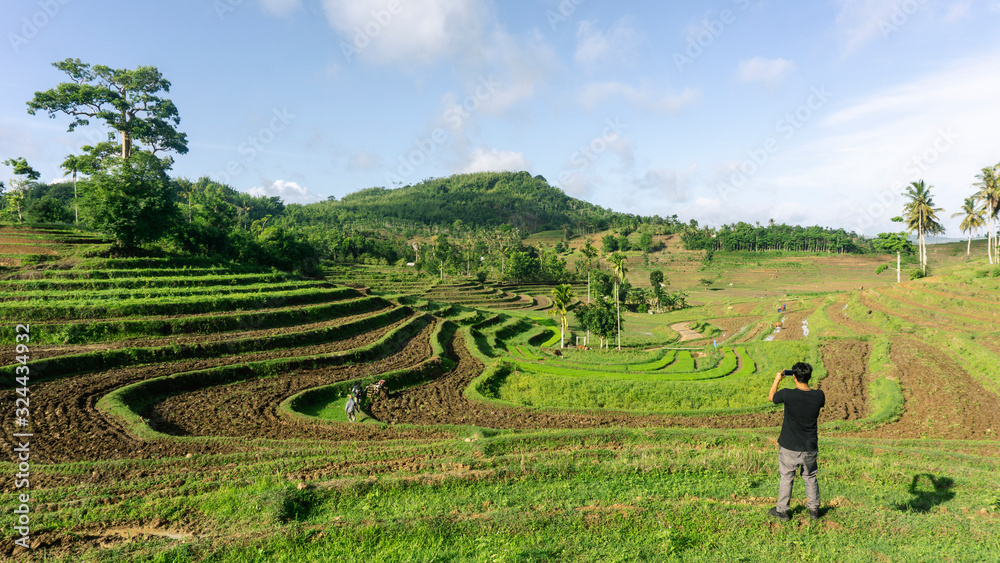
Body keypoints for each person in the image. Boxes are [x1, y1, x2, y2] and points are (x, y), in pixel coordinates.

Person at [768, 362, 825, 521]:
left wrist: (777, 380)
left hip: (789, 446)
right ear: (809, 376)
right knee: (810, 477)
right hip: (810, 446)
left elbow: (772, 397)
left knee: (787, 477)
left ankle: (783, 511)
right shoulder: (819, 395)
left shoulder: (787, 394)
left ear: (793, 376)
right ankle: (814, 510)